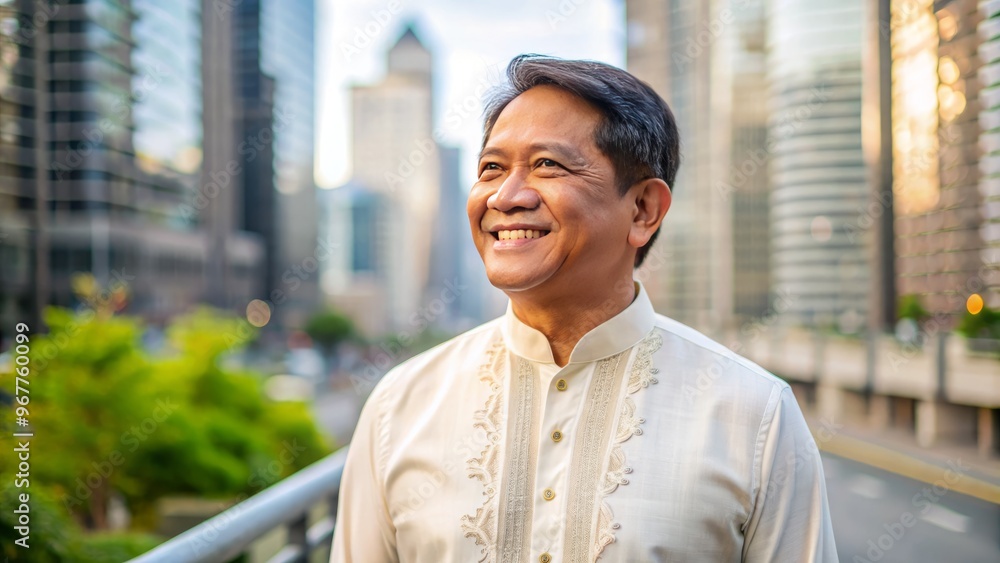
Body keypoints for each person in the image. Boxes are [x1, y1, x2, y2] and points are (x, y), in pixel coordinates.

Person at [331, 54, 838, 562]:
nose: (506, 197)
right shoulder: (400, 405)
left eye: (548, 164)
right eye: (492, 168)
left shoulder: (754, 415)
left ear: (642, 210)